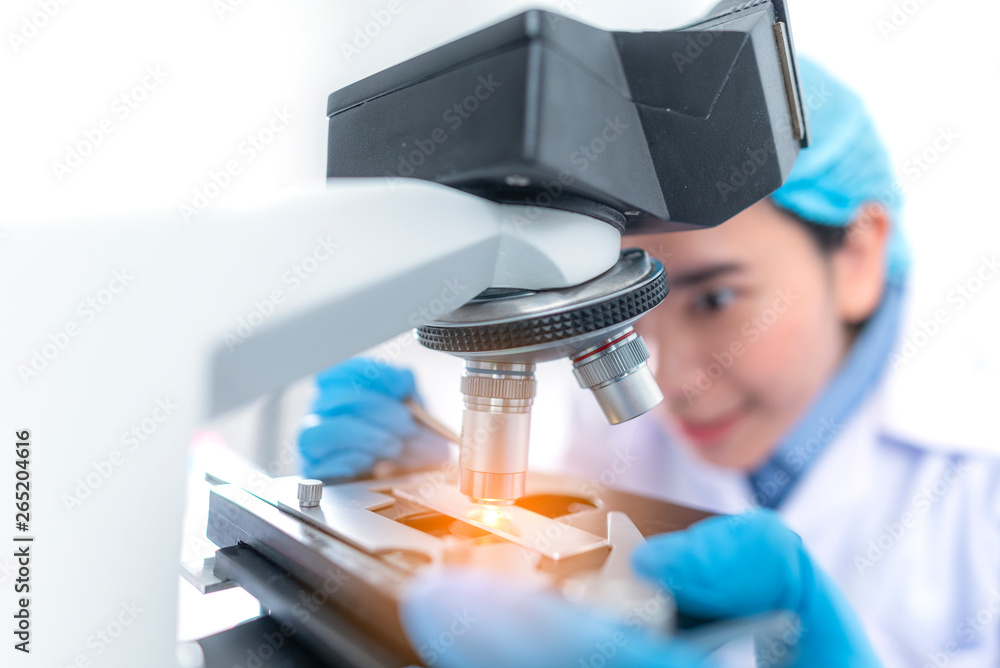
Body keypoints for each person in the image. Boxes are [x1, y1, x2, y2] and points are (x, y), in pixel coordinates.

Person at [298, 57, 1000, 666]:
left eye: (716, 299)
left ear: (856, 255)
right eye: (631, 315)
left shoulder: (982, 478)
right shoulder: (617, 405)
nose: (671, 380)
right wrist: (431, 480)